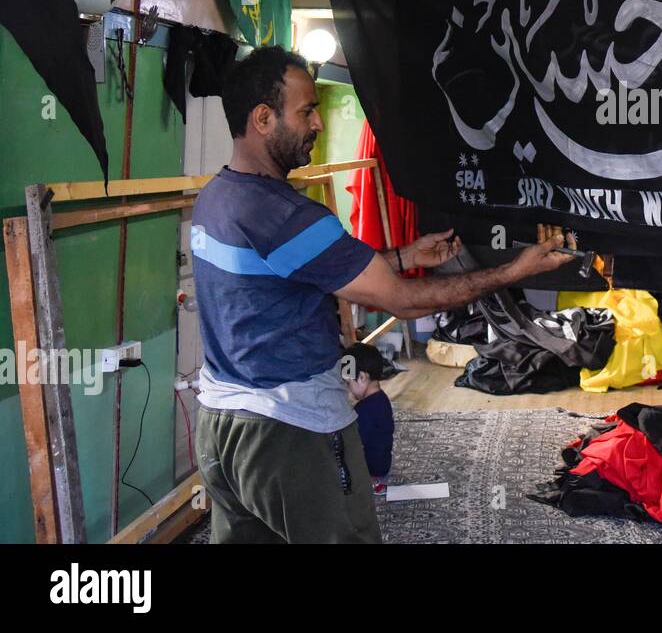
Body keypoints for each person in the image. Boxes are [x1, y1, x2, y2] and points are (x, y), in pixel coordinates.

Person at [192, 45, 574, 543]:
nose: (319, 125)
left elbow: (300, 274)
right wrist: (511, 271)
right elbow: (401, 301)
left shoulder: (217, 198)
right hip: (286, 432)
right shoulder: (287, 215)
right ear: (263, 118)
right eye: (307, 111)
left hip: (221, 424)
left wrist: (405, 257)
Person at [341, 342, 394, 494]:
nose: (348, 389)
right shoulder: (382, 399)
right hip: (384, 462)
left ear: (362, 377)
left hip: (372, 469)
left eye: (348, 382)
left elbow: (353, 444)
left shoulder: (363, 410)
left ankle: (372, 483)